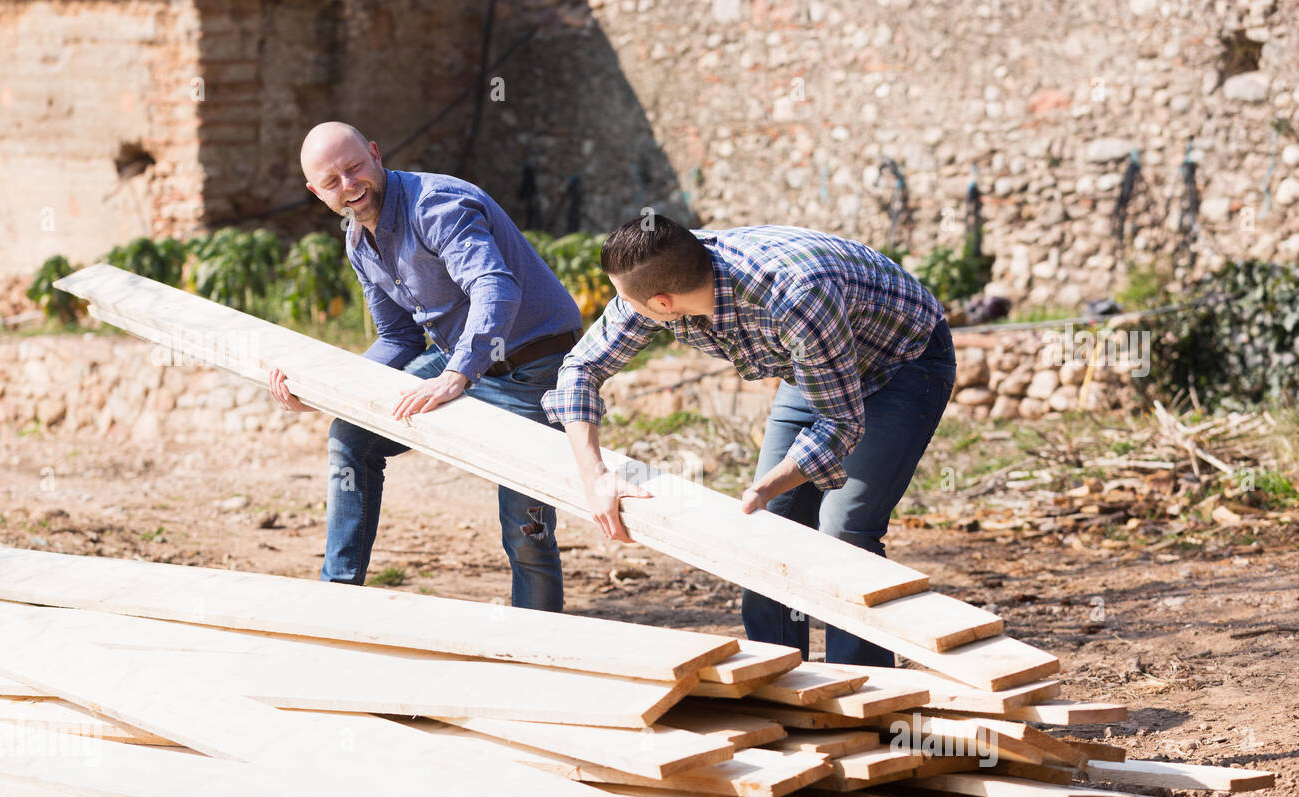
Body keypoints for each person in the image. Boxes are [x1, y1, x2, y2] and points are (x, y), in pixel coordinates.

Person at [542, 216, 955, 665]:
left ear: (663, 303)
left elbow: (840, 423)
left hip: (903, 359)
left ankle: (865, 691)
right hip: (815, 360)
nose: (618, 305)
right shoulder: (661, 270)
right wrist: (596, 475)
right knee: (767, 528)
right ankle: (779, 676)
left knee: (844, 530)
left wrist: (766, 486)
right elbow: (581, 369)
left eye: (623, 298)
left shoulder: (793, 296)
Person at [269, 122, 582, 610]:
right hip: (459, 358)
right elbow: (398, 337)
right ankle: (336, 600)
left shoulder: (435, 205)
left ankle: (539, 641)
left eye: (354, 168)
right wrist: (322, 388)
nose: (349, 186)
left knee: (526, 528)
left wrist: (457, 374)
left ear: (375, 153)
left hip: (533, 365)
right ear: (315, 192)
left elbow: (495, 287)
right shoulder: (358, 240)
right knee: (351, 436)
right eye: (331, 182)